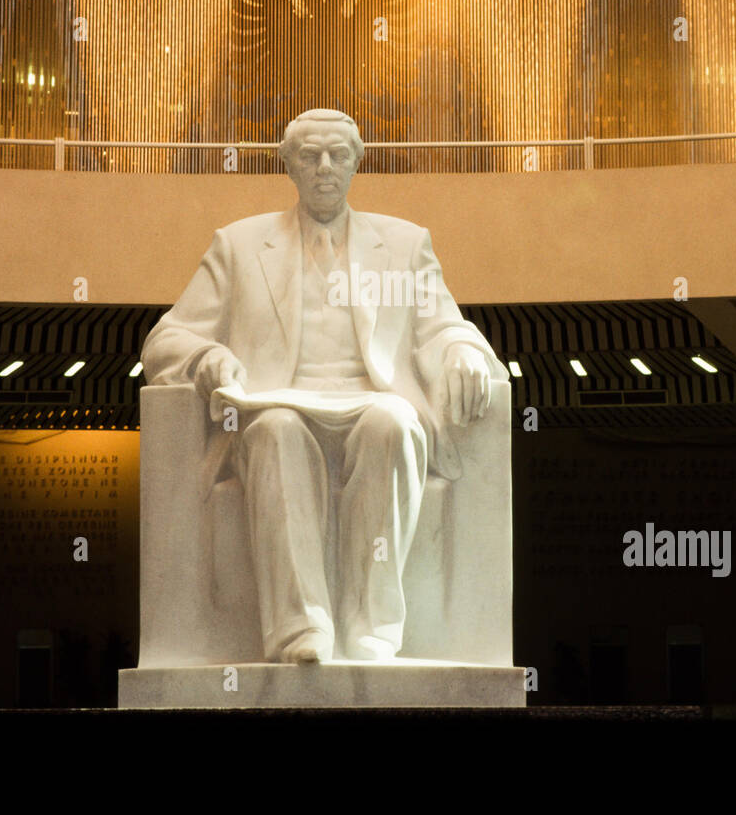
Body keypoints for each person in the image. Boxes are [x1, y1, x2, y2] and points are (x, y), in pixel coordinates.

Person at [142, 108, 506, 663]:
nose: (325, 167)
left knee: (396, 422)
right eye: (309, 156)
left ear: (358, 161)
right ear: (287, 164)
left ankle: (371, 622)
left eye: (338, 155)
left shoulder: (406, 246)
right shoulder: (239, 245)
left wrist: (462, 350)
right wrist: (206, 356)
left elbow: (442, 326)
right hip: (275, 404)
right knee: (277, 431)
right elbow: (165, 341)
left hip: (372, 402)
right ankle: (299, 628)